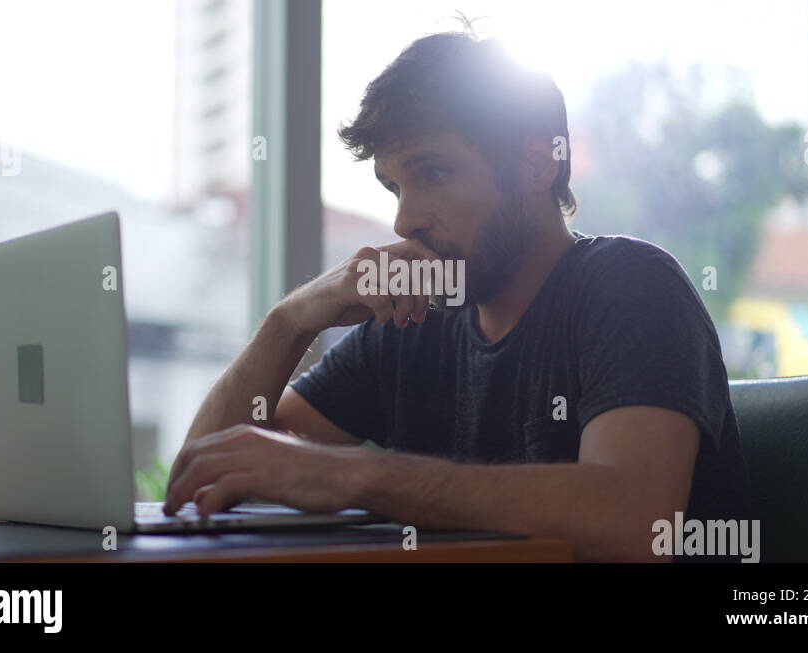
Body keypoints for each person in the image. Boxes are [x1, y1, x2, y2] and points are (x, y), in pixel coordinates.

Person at [163, 30, 751, 562]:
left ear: (535, 165)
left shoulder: (630, 285)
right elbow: (204, 472)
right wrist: (289, 322)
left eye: (434, 174)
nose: (403, 220)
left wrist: (354, 476)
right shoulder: (414, 322)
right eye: (394, 186)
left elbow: (635, 524)